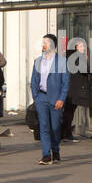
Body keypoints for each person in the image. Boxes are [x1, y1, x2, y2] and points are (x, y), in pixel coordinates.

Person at [31, 35, 69, 165]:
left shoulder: (62, 62)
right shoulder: (38, 61)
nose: (43, 45)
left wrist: (62, 99)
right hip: (42, 97)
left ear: (52, 45)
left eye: (45, 43)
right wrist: (36, 98)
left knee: (56, 127)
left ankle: (55, 150)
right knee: (44, 127)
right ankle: (46, 155)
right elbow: (33, 81)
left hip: (56, 99)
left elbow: (65, 82)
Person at [61, 39, 92, 142]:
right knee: (69, 112)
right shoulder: (76, 57)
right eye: (81, 46)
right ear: (75, 47)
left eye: (83, 46)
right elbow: (83, 69)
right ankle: (66, 134)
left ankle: (65, 133)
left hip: (70, 88)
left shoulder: (70, 57)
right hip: (73, 89)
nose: (83, 48)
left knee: (68, 111)